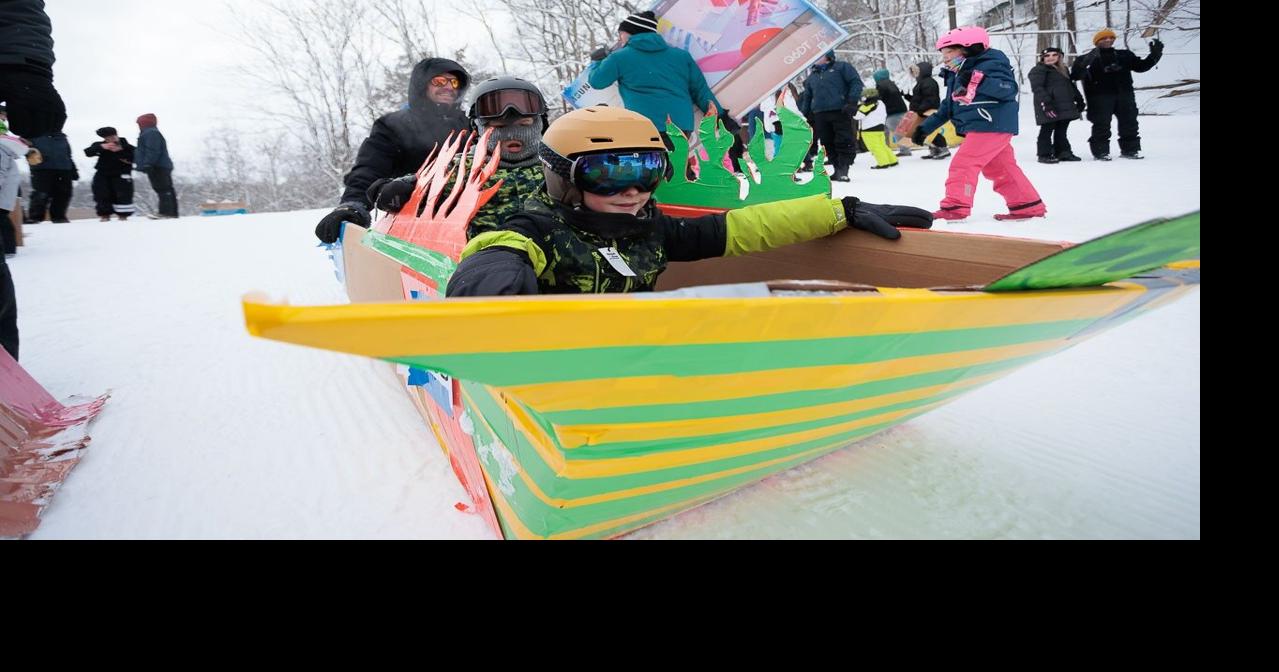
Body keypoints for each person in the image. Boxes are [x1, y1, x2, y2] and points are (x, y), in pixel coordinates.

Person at [444, 106, 933, 297]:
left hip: (638, 357)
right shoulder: (537, 229)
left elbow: (739, 229)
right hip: (560, 364)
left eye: (647, 173)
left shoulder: (649, 229)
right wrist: (490, 277)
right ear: (562, 180)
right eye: (608, 176)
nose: (632, 192)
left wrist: (837, 211)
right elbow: (502, 244)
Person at [366, 76, 551, 241]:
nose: (513, 134)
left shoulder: (556, 167)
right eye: (500, 127)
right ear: (478, 129)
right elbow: (419, 188)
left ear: (541, 125)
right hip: (481, 270)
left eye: (524, 124)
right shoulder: (459, 170)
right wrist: (393, 189)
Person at [314, 58, 470, 243]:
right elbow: (369, 169)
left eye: (454, 82)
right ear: (421, 85)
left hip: (470, 220)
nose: (449, 87)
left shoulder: (470, 125)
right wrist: (353, 204)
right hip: (414, 221)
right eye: (439, 81)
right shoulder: (393, 126)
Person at [913, 26, 1045, 221]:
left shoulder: (990, 63)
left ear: (969, 48)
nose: (945, 57)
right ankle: (1027, 206)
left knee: (964, 163)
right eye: (943, 53)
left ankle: (956, 206)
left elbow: (1008, 89)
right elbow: (947, 107)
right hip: (983, 126)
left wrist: (979, 80)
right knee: (1000, 168)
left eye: (950, 51)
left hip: (990, 122)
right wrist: (924, 128)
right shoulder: (956, 73)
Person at [587, 10, 734, 179]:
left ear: (630, 34)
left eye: (621, 34)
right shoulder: (680, 56)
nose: (620, 39)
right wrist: (720, 117)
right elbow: (700, 90)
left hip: (646, 126)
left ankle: (676, 201)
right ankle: (691, 199)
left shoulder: (619, 58)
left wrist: (597, 61)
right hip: (680, 125)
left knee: (658, 174)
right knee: (677, 170)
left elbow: (597, 81)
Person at [1071, 28, 1164, 160]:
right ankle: (1100, 151)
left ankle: (1131, 150)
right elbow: (1075, 75)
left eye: (1111, 37)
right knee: (1101, 124)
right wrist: (1084, 63)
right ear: (1097, 41)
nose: (1108, 40)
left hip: (1124, 94)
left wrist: (1155, 55)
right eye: (1104, 38)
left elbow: (1141, 66)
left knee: (1130, 123)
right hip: (1099, 97)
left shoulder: (1124, 55)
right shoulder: (1086, 58)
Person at [797, 51, 863, 181]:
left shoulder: (842, 67)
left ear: (828, 56)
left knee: (843, 139)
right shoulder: (813, 76)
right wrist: (805, 114)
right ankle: (836, 168)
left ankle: (844, 168)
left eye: (819, 55)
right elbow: (808, 96)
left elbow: (856, 82)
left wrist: (852, 101)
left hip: (840, 110)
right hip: (820, 113)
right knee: (827, 142)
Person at [1028, 47, 1084, 163]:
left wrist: (1079, 99)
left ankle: (1063, 152)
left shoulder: (1063, 70)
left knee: (1061, 130)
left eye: (1054, 55)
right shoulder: (1039, 70)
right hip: (1048, 105)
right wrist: (1047, 103)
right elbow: (1037, 88)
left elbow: (1070, 86)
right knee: (1047, 129)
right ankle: (1044, 154)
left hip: (1064, 105)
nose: (1051, 58)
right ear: (1043, 58)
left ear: (1059, 57)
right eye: (1047, 55)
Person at [84, 126, 136, 221]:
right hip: (103, 174)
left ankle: (123, 216)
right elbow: (88, 152)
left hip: (122, 174)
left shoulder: (127, 146)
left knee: (123, 195)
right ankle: (105, 215)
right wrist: (101, 147)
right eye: (107, 138)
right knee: (101, 194)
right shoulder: (100, 145)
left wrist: (121, 151)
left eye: (112, 136)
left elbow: (136, 156)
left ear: (116, 135)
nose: (111, 139)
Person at [26, 130, 77, 222]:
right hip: (41, 169)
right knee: (41, 194)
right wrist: (33, 157)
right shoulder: (33, 135)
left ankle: (59, 216)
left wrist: (73, 169)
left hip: (64, 169)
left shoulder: (62, 137)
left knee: (63, 194)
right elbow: (25, 150)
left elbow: (68, 155)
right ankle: (35, 217)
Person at [903, 61, 950, 160]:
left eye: (916, 71)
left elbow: (930, 99)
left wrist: (920, 110)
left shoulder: (928, 82)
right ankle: (934, 150)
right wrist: (908, 97)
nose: (915, 74)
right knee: (924, 131)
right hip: (922, 110)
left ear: (922, 71)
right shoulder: (922, 82)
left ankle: (943, 149)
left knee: (930, 130)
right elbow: (919, 98)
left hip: (927, 110)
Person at [134, 113, 178, 217]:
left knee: (163, 189)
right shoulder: (150, 132)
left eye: (140, 123)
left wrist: (148, 164)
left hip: (157, 166)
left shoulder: (150, 133)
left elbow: (153, 150)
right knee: (166, 189)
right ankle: (172, 213)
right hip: (160, 165)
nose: (138, 126)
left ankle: (166, 212)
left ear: (144, 123)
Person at [872, 68, 911, 157]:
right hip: (899, 110)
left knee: (894, 131)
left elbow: (878, 99)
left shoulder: (881, 85)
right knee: (895, 130)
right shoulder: (891, 83)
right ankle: (888, 149)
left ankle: (901, 150)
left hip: (892, 112)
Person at [855, 91, 898, 169]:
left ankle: (883, 163)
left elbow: (858, 116)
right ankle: (892, 160)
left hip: (869, 129)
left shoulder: (868, 104)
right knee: (882, 145)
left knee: (875, 147)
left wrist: (851, 110)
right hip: (880, 127)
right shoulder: (880, 103)